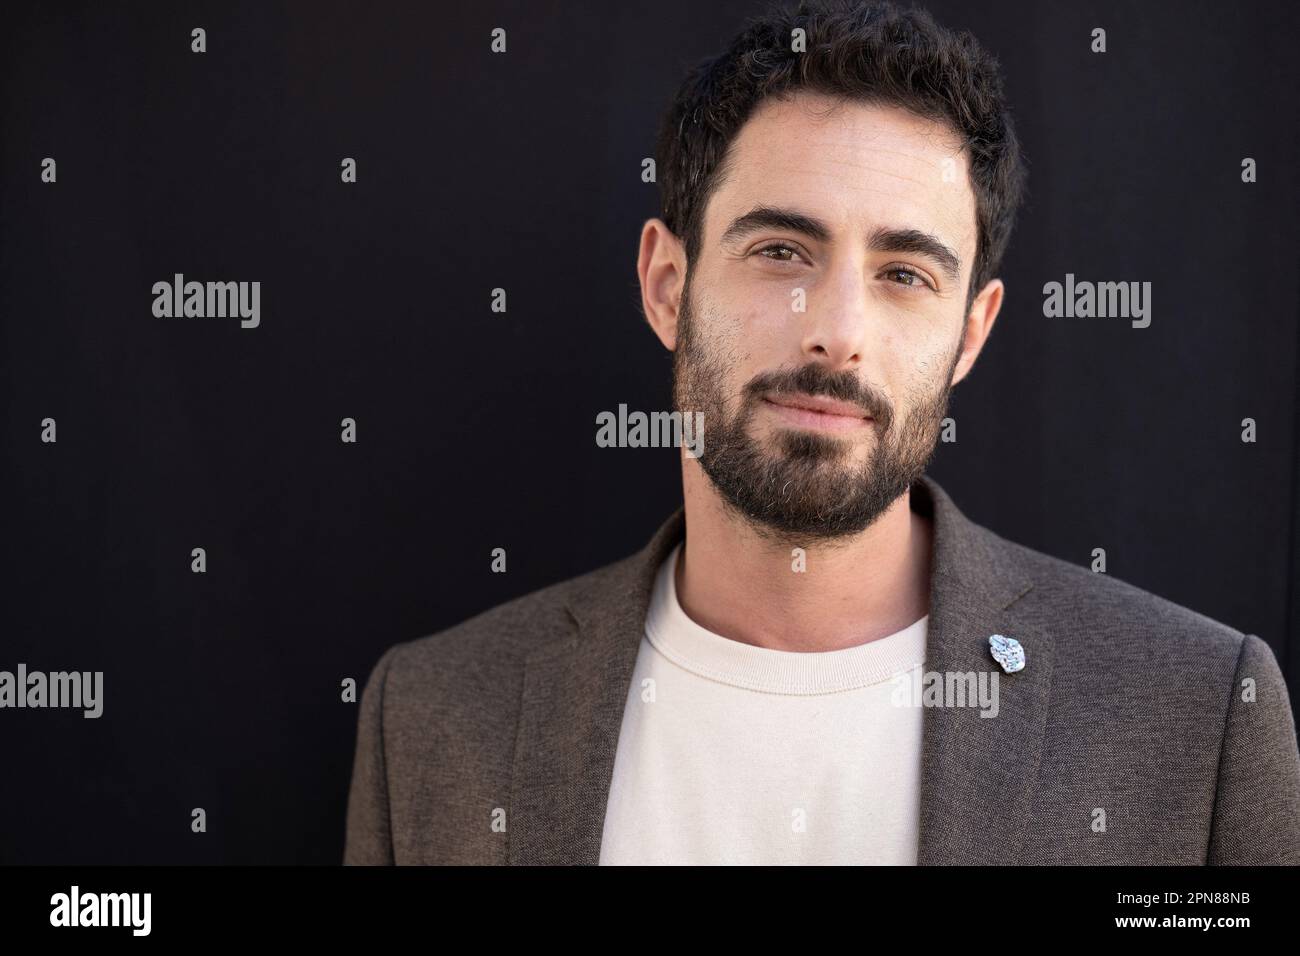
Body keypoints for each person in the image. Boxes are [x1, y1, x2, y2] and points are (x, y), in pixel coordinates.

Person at [344, 0, 1300, 865]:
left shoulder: (1199, 717)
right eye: (780, 251)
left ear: (971, 333)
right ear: (668, 286)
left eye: (905, 274)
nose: (836, 330)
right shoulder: (434, 718)